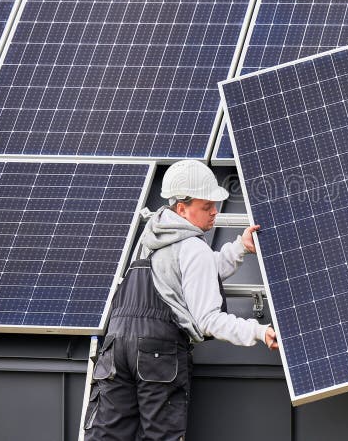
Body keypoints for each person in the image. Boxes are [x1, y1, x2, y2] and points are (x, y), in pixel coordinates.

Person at [84, 159, 278, 440]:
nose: (214, 213)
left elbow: (189, 275)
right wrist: (258, 331)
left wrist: (239, 248)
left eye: (214, 205)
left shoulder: (150, 235)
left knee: (107, 435)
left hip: (115, 349)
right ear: (181, 208)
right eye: (206, 206)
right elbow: (209, 319)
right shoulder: (192, 247)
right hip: (157, 353)